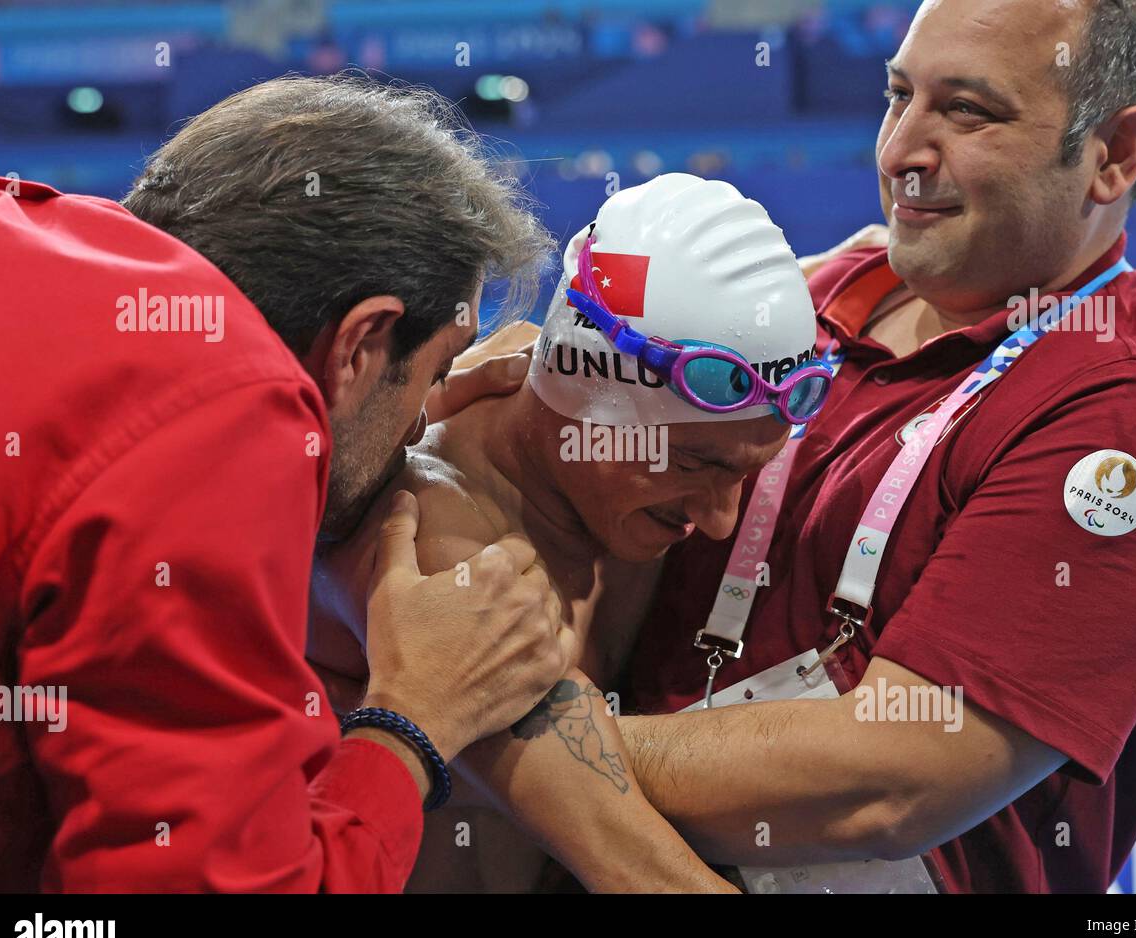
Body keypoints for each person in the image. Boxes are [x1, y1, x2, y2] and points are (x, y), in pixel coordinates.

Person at [609, 0, 1136, 892]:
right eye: (898, 95)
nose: (901, 150)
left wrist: (525, 748)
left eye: (967, 111)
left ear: (1113, 155)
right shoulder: (811, 298)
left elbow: (892, 781)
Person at [0, 75, 576, 892]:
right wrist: (415, 719)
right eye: (432, 374)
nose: (427, 423)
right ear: (360, 343)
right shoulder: (222, 406)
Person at [308, 173, 831, 892]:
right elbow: (644, 874)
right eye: (693, 464)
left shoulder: (592, 473)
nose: (719, 520)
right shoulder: (444, 551)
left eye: (746, 473)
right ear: (584, 405)